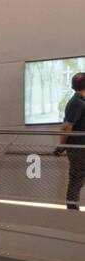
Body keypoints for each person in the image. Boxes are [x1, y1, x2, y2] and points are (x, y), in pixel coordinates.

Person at [53, 71, 85, 211]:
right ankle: (72, 213)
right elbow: (67, 127)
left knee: (77, 181)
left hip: (80, 148)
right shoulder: (76, 102)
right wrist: (62, 146)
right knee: (76, 181)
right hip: (78, 149)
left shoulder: (80, 101)